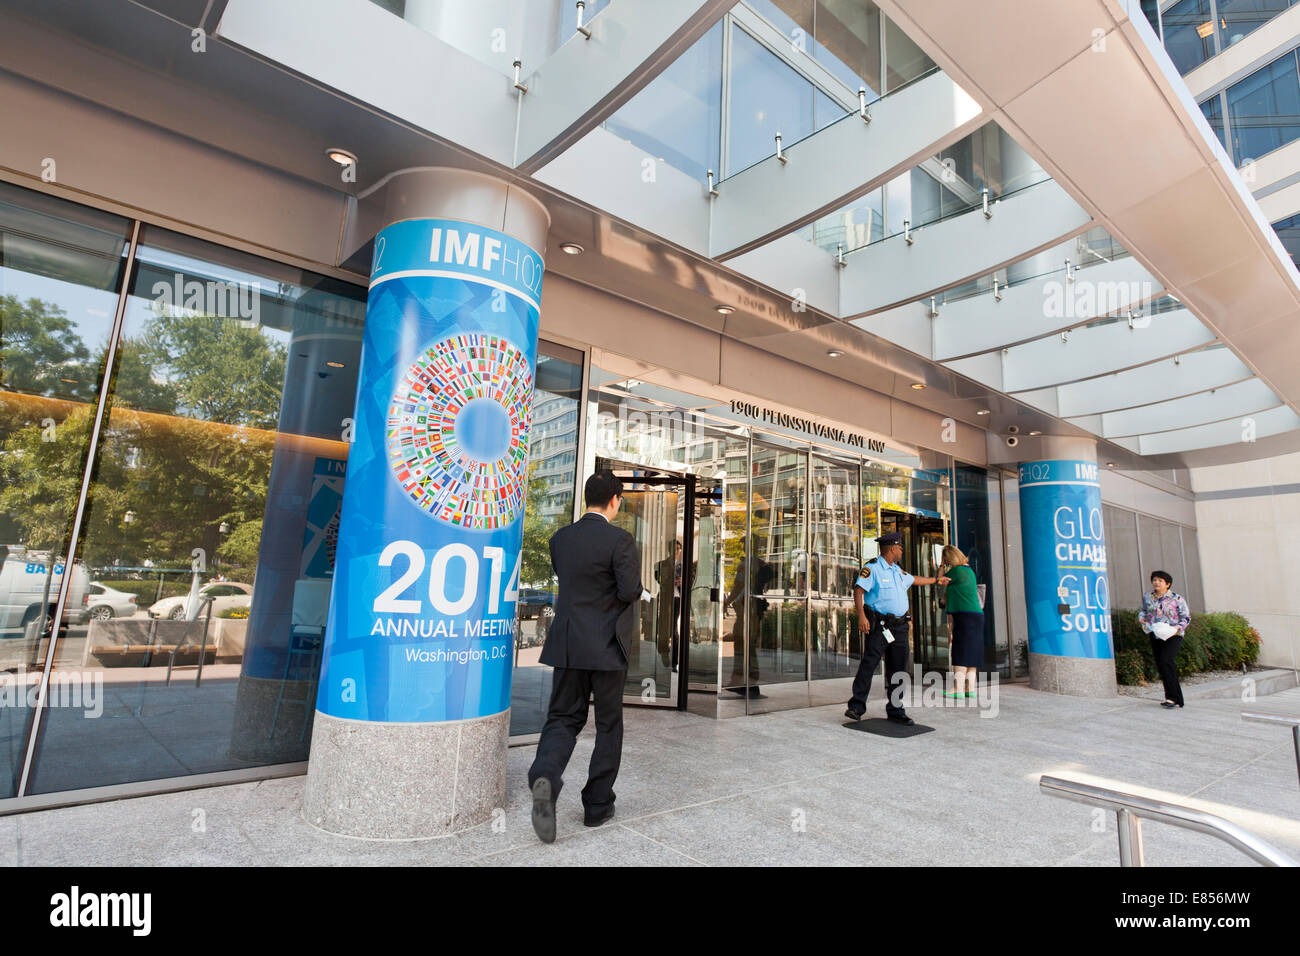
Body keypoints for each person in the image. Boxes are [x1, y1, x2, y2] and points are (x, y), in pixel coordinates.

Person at [528, 472, 642, 843]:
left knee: (563, 718)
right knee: (608, 725)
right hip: (608, 647)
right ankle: (596, 806)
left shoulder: (560, 539)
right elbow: (629, 590)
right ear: (614, 500)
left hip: (569, 645)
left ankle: (545, 774)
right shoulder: (620, 540)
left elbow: (572, 584)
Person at [846, 532, 949, 725]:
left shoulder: (897, 571)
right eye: (900, 547)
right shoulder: (872, 569)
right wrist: (861, 616)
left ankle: (895, 710)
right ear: (892, 549)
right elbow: (858, 590)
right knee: (868, 665)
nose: (902, 550)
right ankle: (856, 707)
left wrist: (936, 581)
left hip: (900, 628)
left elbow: (914, 580)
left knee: (898, 670)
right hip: (880, 626)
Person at [1138, 570, 1191, 709]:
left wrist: (1177, 628)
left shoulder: (1176, 598)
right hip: (1155, 633)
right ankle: (1174, 697)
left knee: (1166, 660)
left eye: (1160, 581)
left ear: (1167, 584)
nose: (1156, 583)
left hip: (1173, 634)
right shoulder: (1148, 597)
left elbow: (1186, 617)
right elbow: (1143, 611)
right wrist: (1142, 619)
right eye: (1155, 580)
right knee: (1162, 664)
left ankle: (1173, 698)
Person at [939, 545, 983, 698]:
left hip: (964, 616)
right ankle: (970, 688)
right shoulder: (968, 570)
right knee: (972, 651)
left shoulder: (956, 571)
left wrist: (940, 566)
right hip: (976, 615)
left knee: (960, 650)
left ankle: (957, 688)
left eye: (945, 559)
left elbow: (940, 581)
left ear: (949, 558)